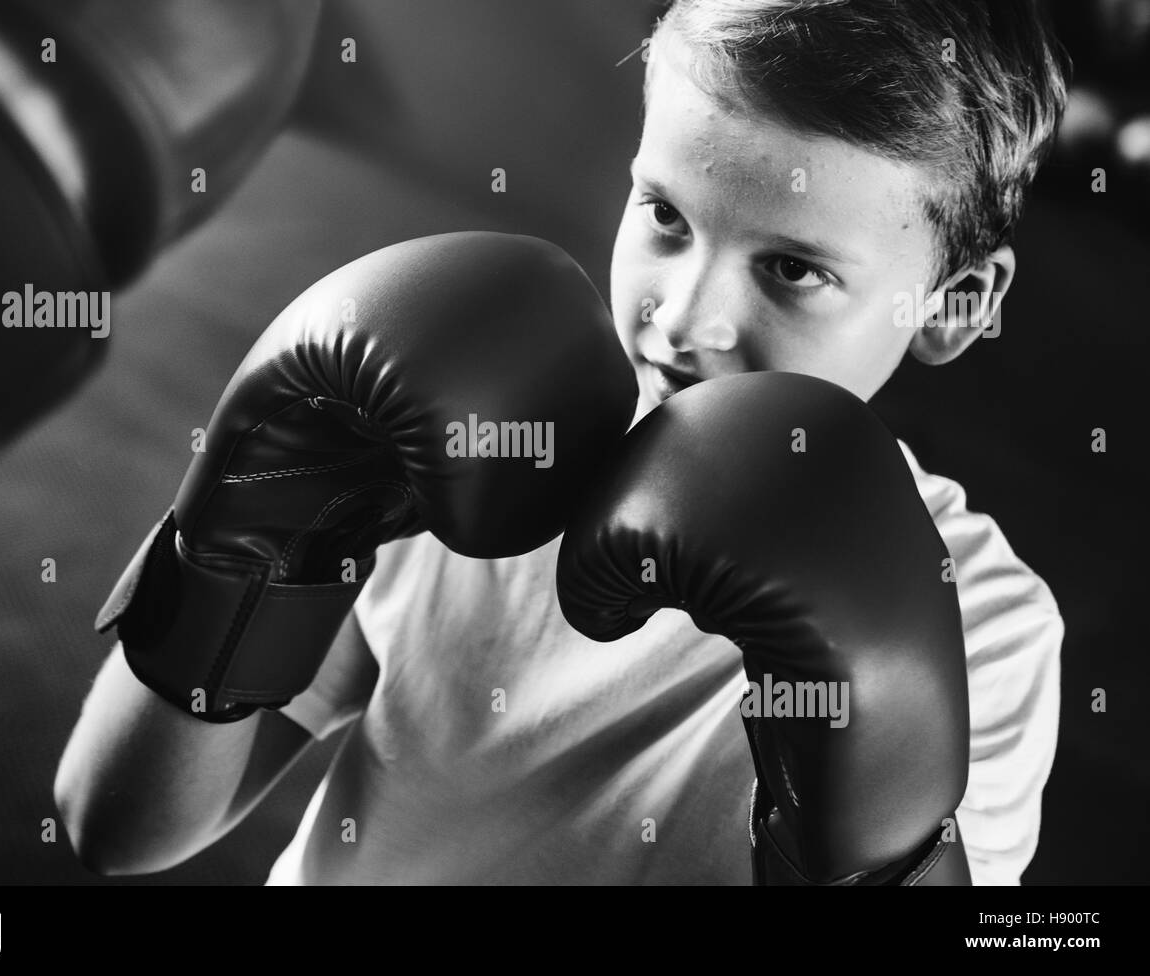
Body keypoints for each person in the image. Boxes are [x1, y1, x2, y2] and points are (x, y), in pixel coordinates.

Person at [55, 0, 1067, 885]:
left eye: (793, 270)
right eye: (665, 214)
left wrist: (873, 838)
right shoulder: (485, 445)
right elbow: (114, 825)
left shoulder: (982, 625)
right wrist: (249, 536)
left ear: (956, 303)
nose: (682, 318)